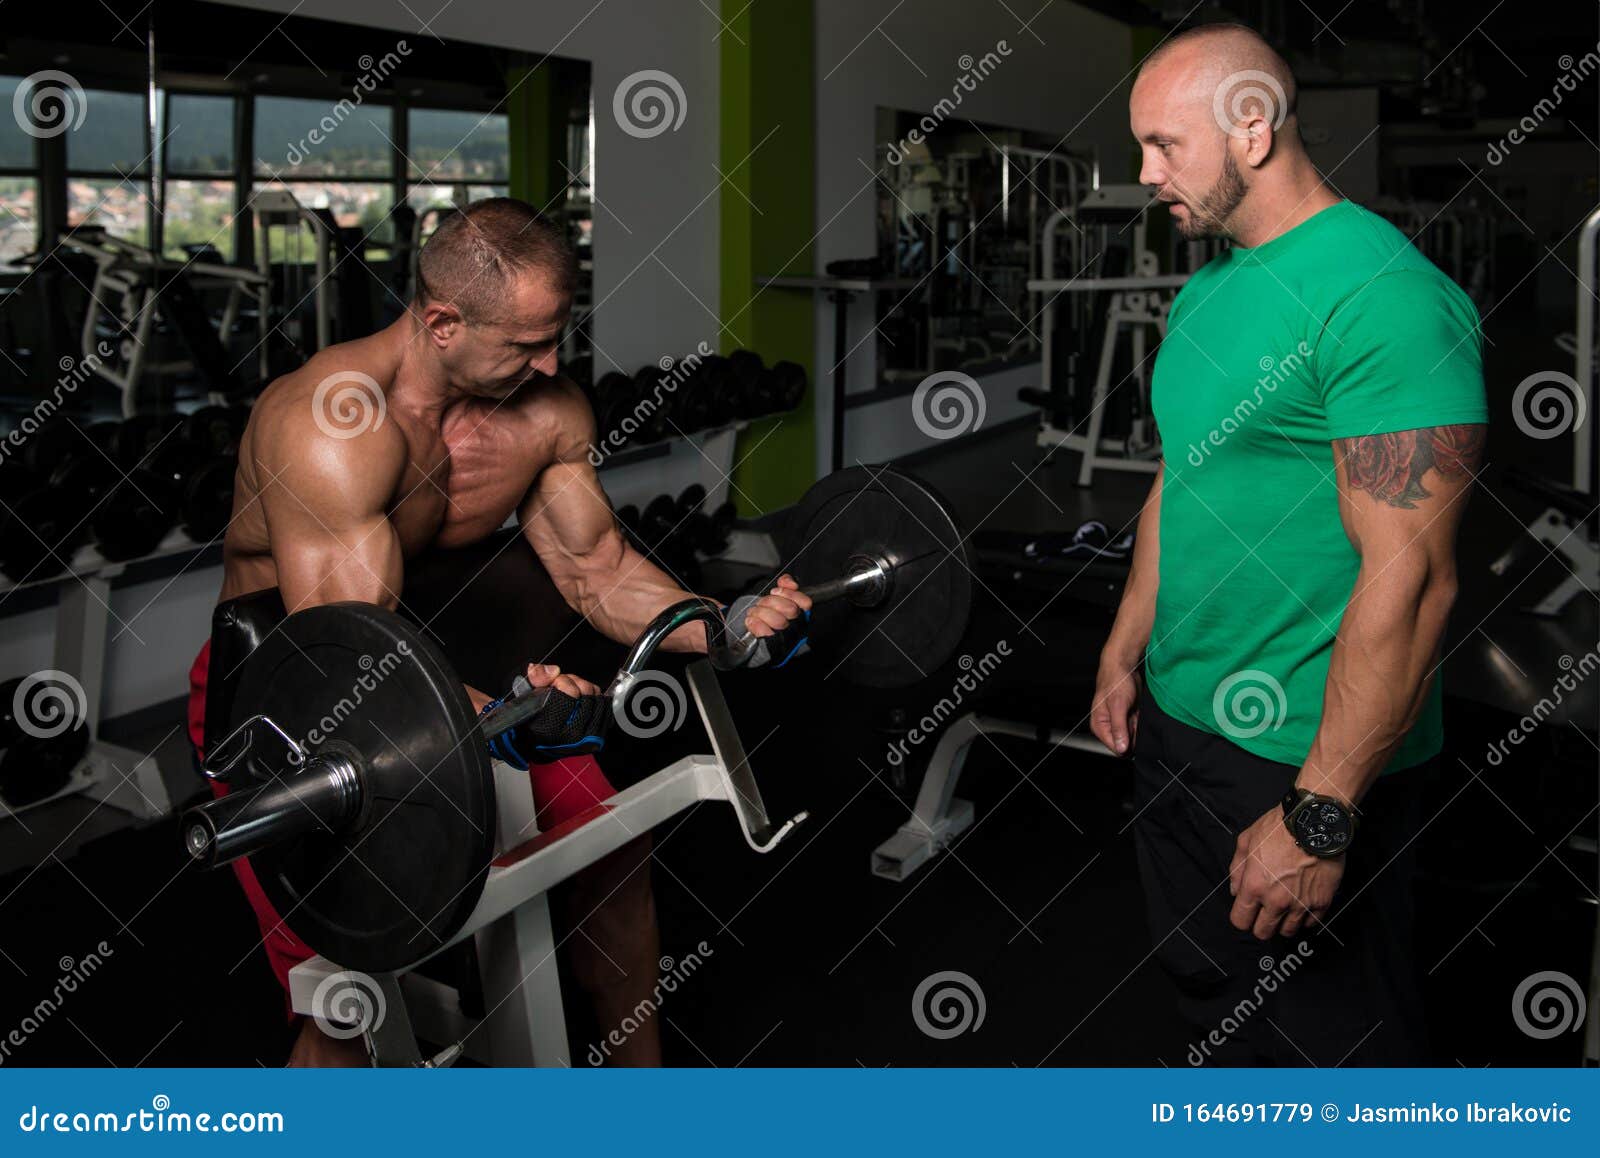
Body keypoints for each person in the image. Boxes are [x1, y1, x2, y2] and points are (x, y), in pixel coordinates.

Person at [186, 197, 808, 1066]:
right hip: (302, 702)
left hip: (457, 671)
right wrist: (505, 714)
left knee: (612, 864)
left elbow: (597, 569)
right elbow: (357, 663)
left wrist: (719, 628)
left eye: (556, 335)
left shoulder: (544, 411)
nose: (551, 362)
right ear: (442, 323)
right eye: (524, 345)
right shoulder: (330, 428)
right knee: (349, 993)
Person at [1090, 23, 1487, 1065]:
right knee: (1206, 1001)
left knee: (1329, 1049)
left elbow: (1415, 579)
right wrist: (1126, 646)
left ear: (1252, 129)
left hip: (1302, 759)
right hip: (1181, 729)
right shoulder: (1207, 291)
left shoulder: (1383, 298)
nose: (1144, 175)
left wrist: (1318, 815)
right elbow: (1183, 480)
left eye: (1163, 145)